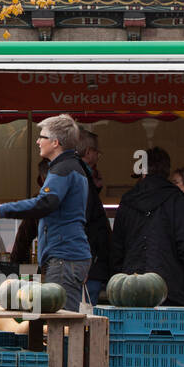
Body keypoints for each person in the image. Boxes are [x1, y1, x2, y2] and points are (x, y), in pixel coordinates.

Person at [0, 113, 91, 310]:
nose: (37, 141)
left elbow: (44, 203)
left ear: (55, 142)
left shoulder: (62, 170)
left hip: (65, 257)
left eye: (42, 137)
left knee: (61, 321)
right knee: (61, 318)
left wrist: (2, 210)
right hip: (67, 256)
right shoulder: (71, 167)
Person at [110, 147, 184, 306]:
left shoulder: (128, 200)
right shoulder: (177, 199)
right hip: (169, 284)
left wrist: (118, 275)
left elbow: (117, 246)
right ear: (167, 171)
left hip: (130, 284)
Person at [78, 128, 113, 305]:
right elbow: (84, 224)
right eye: (97, 152)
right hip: (90, 266)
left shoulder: (82, 178)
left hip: (89, 264)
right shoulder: (82, 179)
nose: (98, 157)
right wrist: (85, 263)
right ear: (89, 152)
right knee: (83, 317)